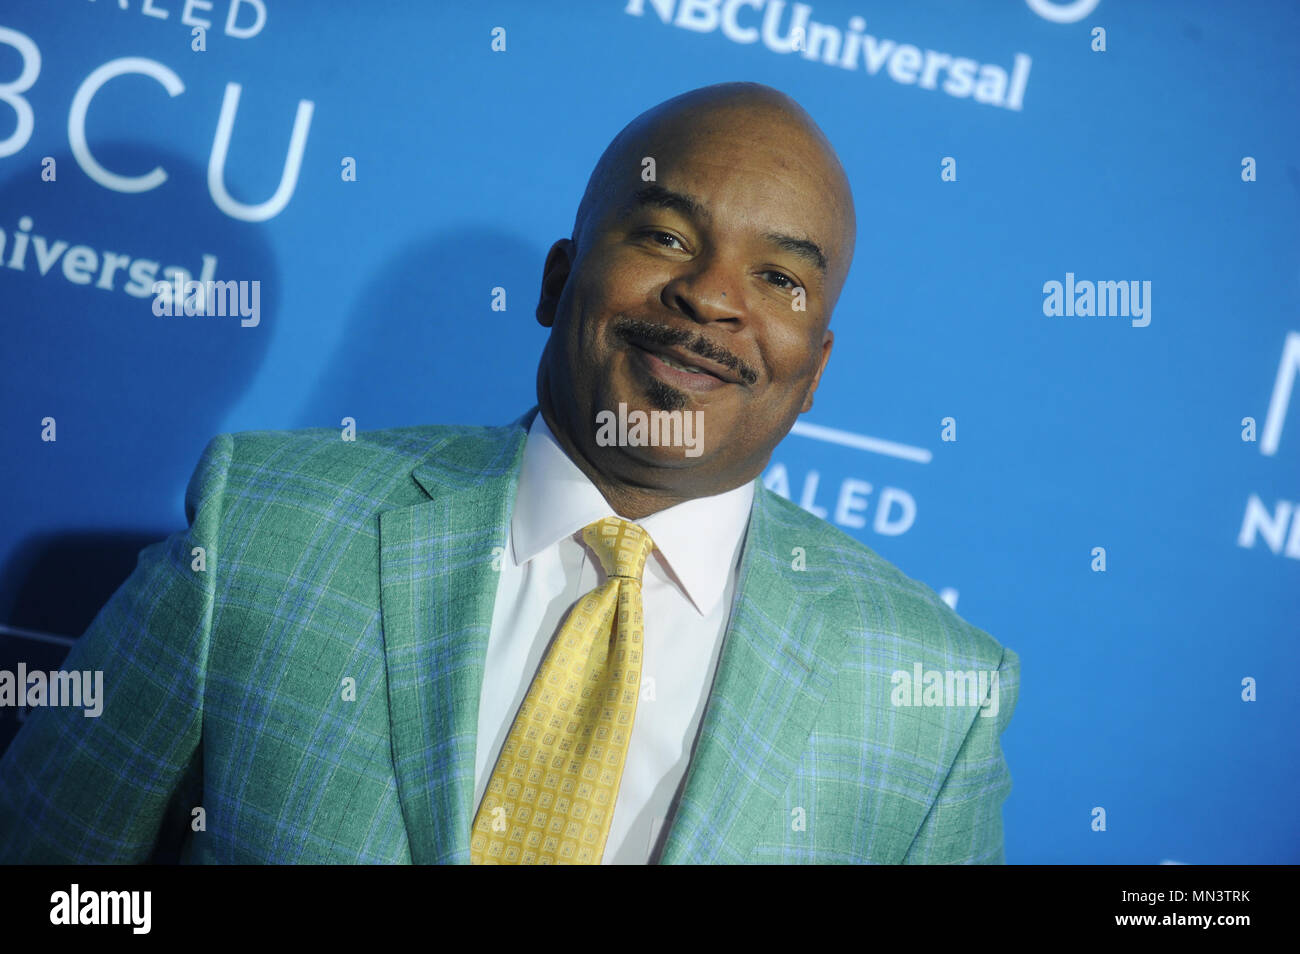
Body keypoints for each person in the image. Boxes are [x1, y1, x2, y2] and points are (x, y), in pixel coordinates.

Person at [0, 81, 1019, 864]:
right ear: (557, 280)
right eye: (666, 235)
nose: (711, 297)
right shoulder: (263, 527)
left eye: (779, 277)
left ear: (815, 372)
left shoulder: (929, 702)